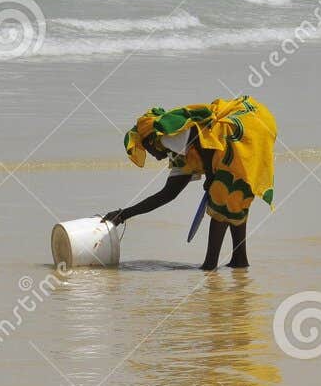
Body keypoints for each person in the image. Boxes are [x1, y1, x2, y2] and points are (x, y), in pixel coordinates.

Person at [104, 96, 278, 269]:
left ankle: (210, 265)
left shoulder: (166, 137)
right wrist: (123, 214)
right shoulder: (180, 154)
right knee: (235, 199)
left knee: (221, 196)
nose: (154, 157)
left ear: (151, 141)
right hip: (255, 124)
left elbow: (198, 136)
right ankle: (239, 260)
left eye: (148, 150)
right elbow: (167, 195)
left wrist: (210, 177)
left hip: (246, 126)